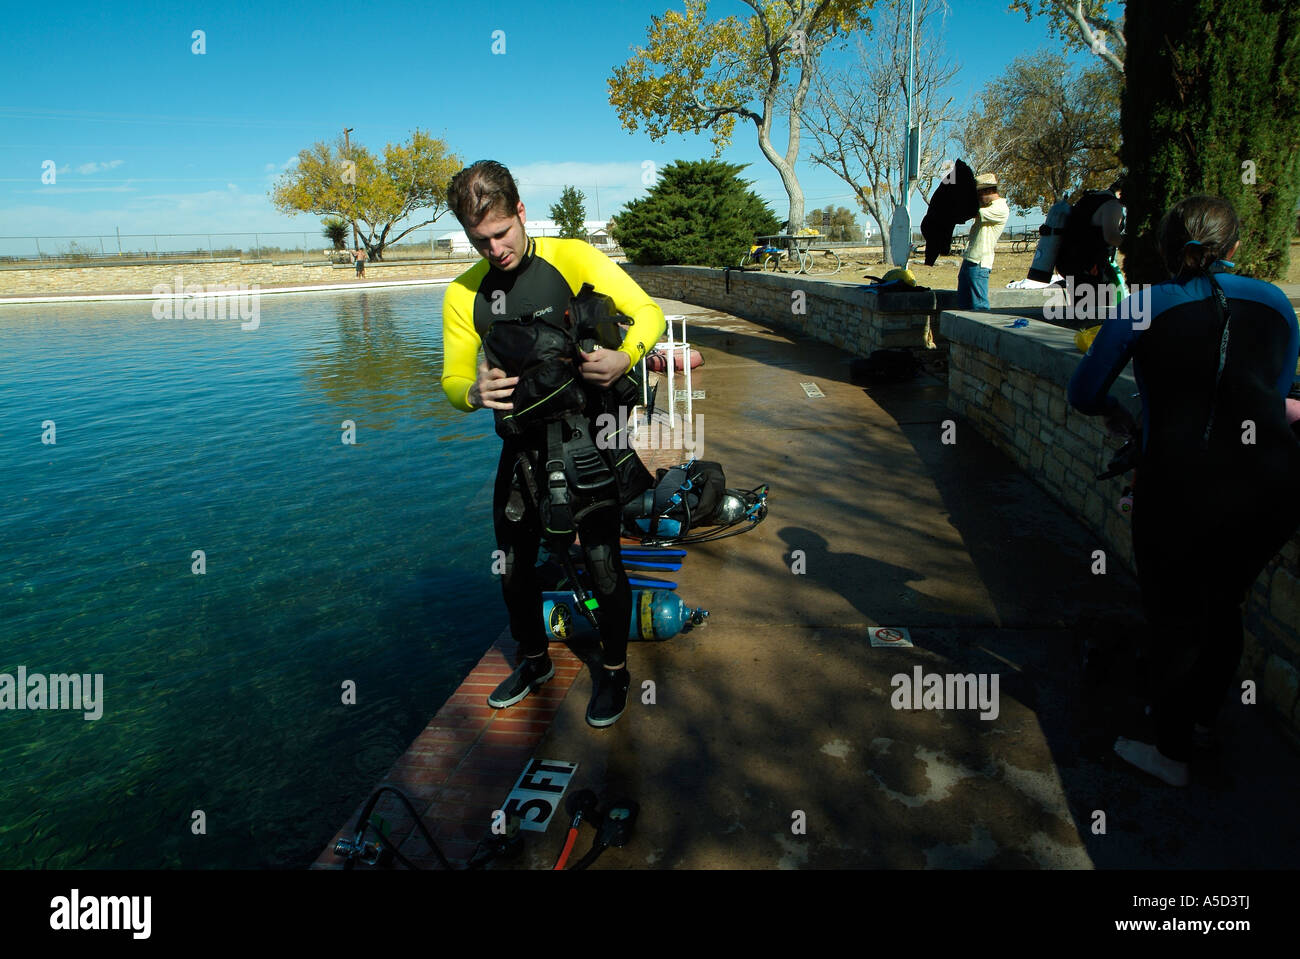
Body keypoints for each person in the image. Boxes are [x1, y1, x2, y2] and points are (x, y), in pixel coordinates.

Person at [1068, 194, 1300, 786]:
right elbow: (1273, 393)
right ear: (1236, 247)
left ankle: (1170, 754)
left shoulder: (1144, 305)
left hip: (1178, 485)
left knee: (1174, 615)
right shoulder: (1277, 303)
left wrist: (1124, 414)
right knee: (1223, 607)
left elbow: (1085, 390)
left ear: (1169, 249)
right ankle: (1197, 720)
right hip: (1268, 489)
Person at [440, 160, 665, 728]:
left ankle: (614, 670)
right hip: (522, 453)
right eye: (479, 241)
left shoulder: (574, 257)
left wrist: (625, 355)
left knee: (601, 562)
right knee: (513, 568)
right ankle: (535, 661)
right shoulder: (463, 293)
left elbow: (649, 314)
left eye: (501, 234)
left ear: (520, 211)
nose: (494, 250)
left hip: (590, 441)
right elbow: (449, 381)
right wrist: (472, 390)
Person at [1058, 179, 1126, 321]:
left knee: (1080, 318)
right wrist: (1134, 243)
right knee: (1100, 320)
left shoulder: (1091, 199)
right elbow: (1111, 236)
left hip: (1075, 267)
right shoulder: (1113, 204)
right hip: (1095, 272)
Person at [956, 173, 1009, 311]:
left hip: (980, 262)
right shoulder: (987, 206)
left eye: (978, 194)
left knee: (980, 307)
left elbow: (971, 211)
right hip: (970, 259)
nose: (978, 198)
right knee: (964, 305)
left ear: (988, 191)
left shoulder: (1000, 208)